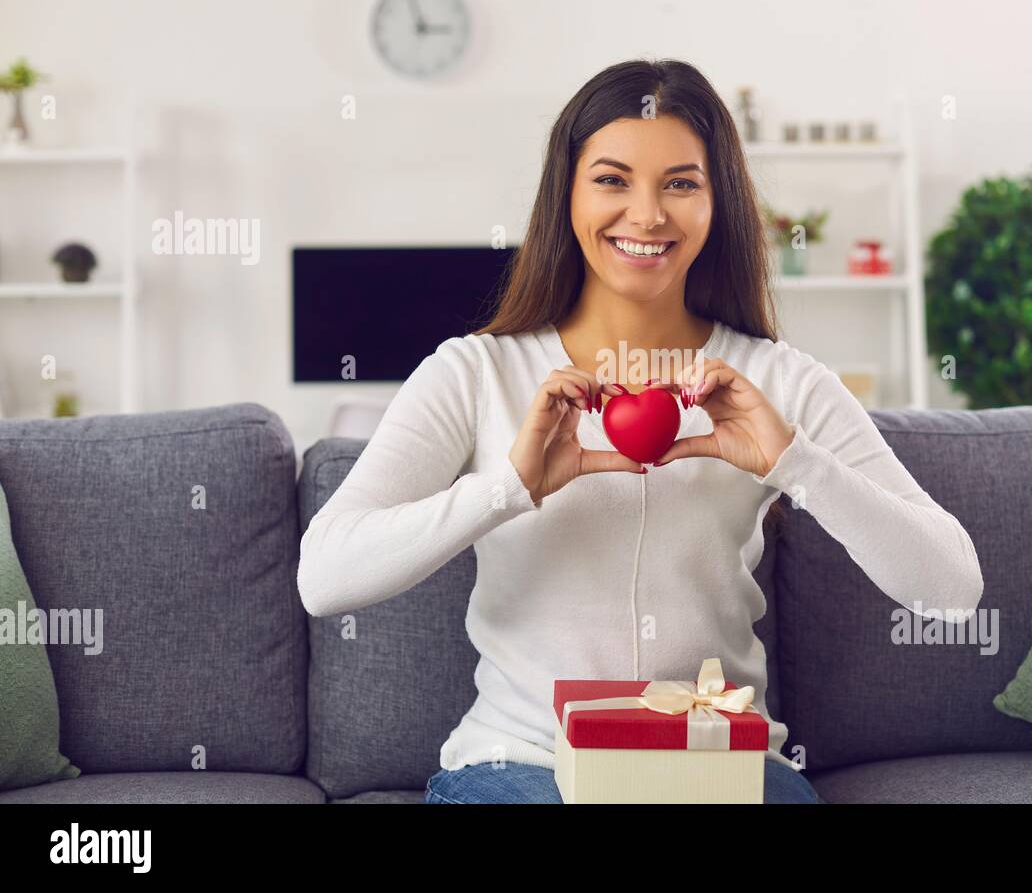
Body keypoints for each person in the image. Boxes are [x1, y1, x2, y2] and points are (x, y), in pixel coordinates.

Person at [297, 58, 984, 804]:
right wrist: (509, 489)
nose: (648, 214)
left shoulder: (781, 383)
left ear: (717, 203)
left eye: (681, 183)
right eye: (613, 180)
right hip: (523, 763)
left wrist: (795, 463)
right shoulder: (475, 373)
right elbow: (325, 577)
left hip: (720, 762)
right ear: (567, 196)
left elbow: (951, 590)